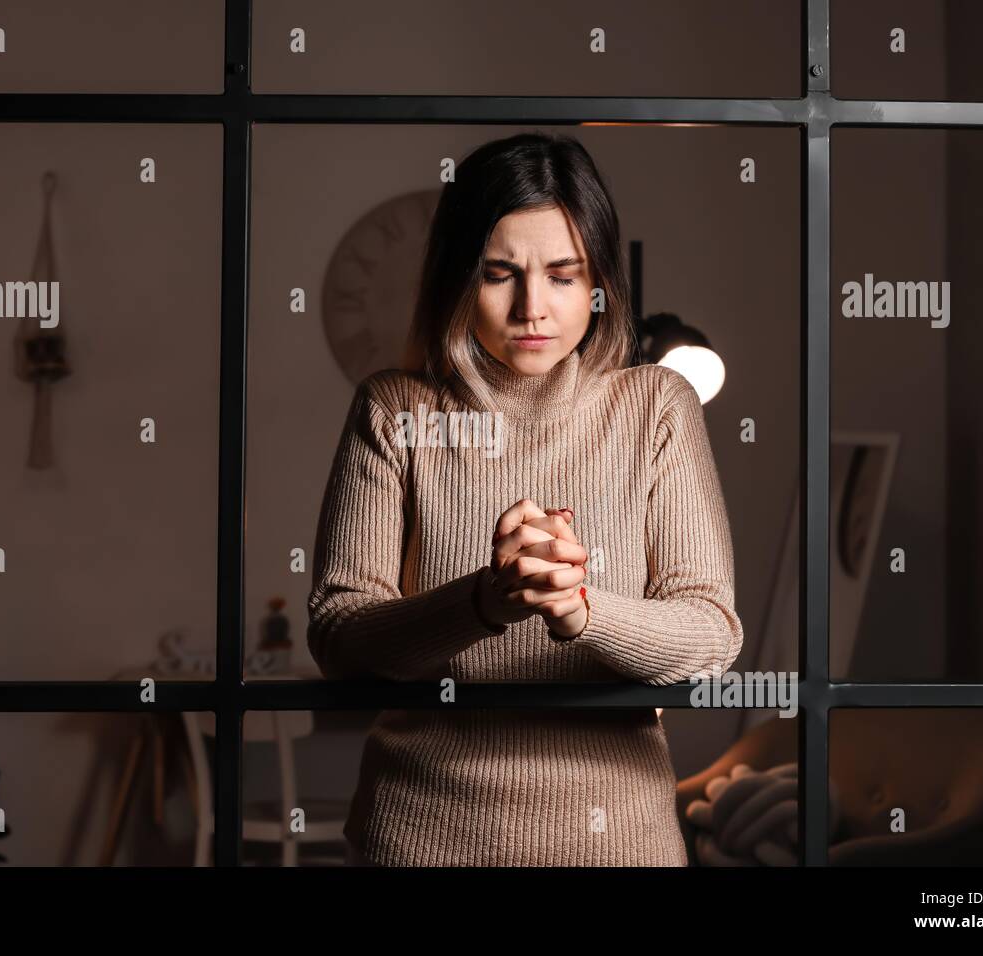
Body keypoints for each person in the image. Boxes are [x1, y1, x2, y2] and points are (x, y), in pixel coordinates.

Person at [308, 131, 743, 866]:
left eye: (564, 276)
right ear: (457, 277)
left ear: (600, 281)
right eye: (498, 274)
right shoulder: (394, 408)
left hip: (619, 841)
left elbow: (711, 636)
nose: (531, 308)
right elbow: (339, 637)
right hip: (423, 837)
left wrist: (583, 609)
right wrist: (484, 601)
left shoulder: (657, 405)